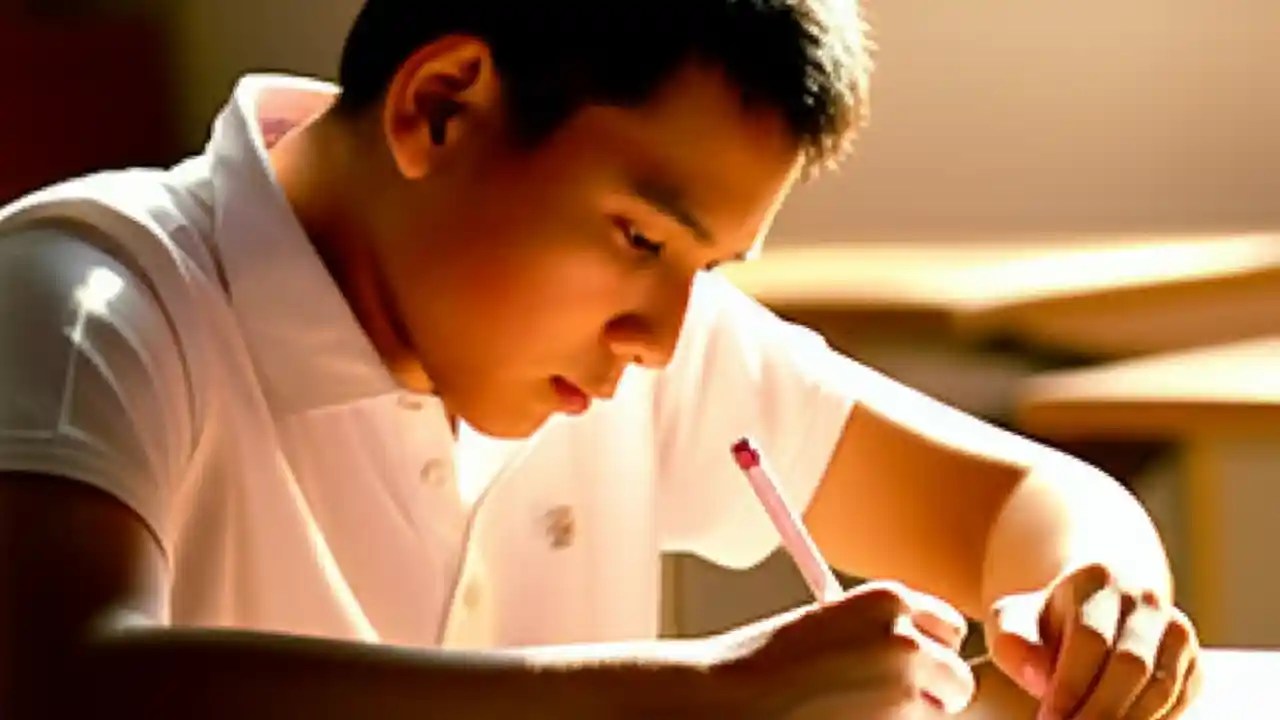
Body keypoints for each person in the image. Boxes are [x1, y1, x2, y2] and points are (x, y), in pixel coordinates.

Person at [0, 1, 1200, 717]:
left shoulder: (639, 341)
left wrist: (1103, 599)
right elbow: (61, 685)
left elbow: (1027, 499)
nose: (665, 336)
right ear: (441, 107)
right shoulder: (87, 297)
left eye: (709, 270)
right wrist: (687, 700)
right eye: (639, 237)